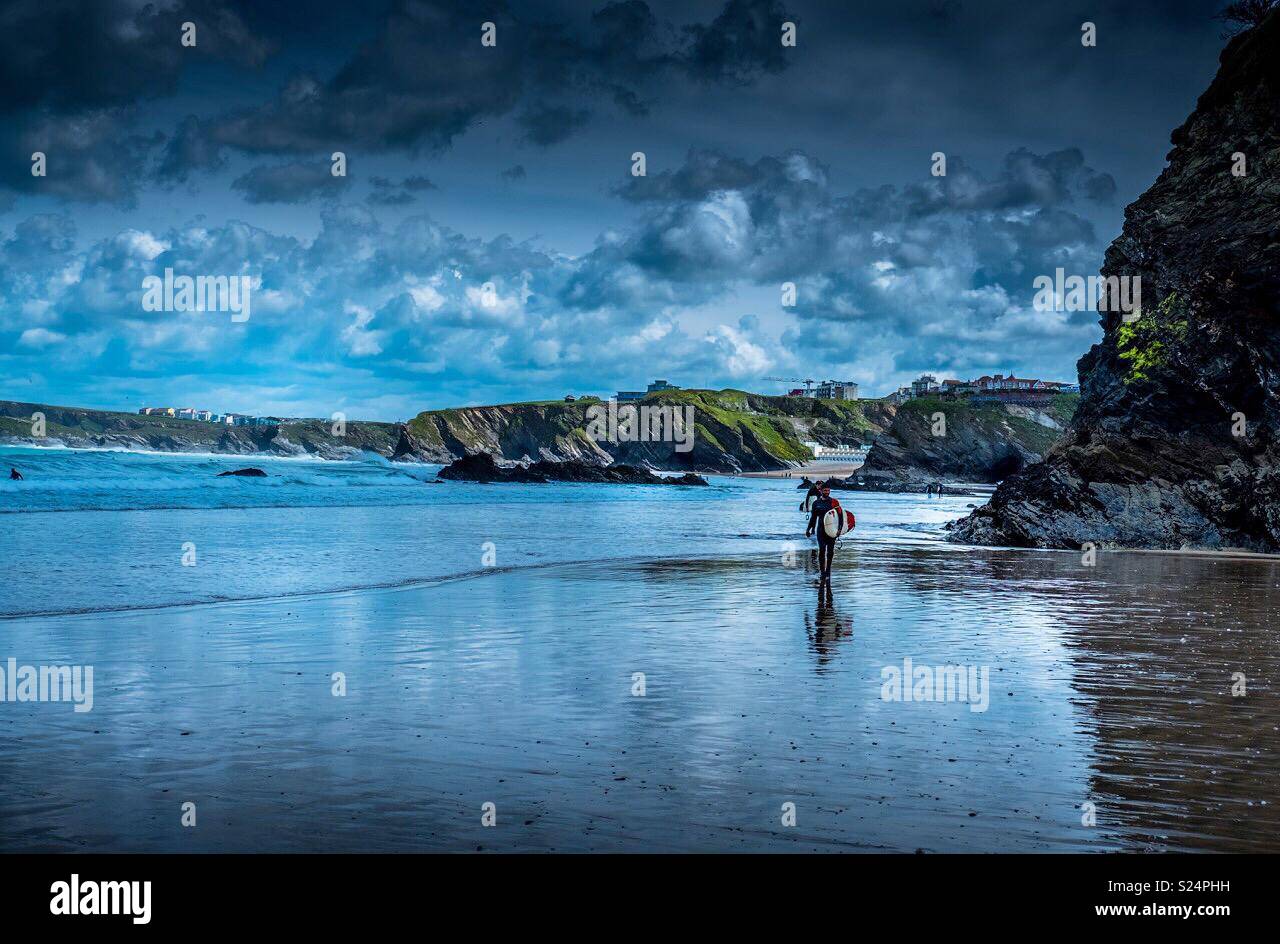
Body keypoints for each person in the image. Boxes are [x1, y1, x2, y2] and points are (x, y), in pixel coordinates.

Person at [805, 483, 839, 581]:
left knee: (830, 552)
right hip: (820, 530)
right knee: (822, 551)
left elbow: (840, 516)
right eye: (825, 491)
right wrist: (808, 529)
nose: (827, 492)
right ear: (821, 491)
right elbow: (813, 518)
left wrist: (839, 529)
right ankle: (822, 572)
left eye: (828, 491)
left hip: (832, 530)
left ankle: (828, 570)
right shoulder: (816, 503)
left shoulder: (834, 502)